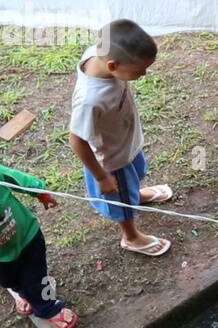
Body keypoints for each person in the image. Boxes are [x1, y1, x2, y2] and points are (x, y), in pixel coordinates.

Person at [69, 19, 174, 257]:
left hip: (125, 142)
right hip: (111, 160)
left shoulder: (99, 55)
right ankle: (131, 236)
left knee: (135, 175)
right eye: (139, 71)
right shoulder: (90, 100)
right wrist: (101, 176)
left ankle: (136, 193)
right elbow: (76, 140)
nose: (144, 74)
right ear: (113, 65)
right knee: (121, 202)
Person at [0, 164, 78, 328]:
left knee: (36, 275)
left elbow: (15, 178)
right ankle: (24, 293)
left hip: (28, 237)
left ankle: (48, 307)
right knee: (9, 280)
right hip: (2, 258)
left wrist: (39, 191)